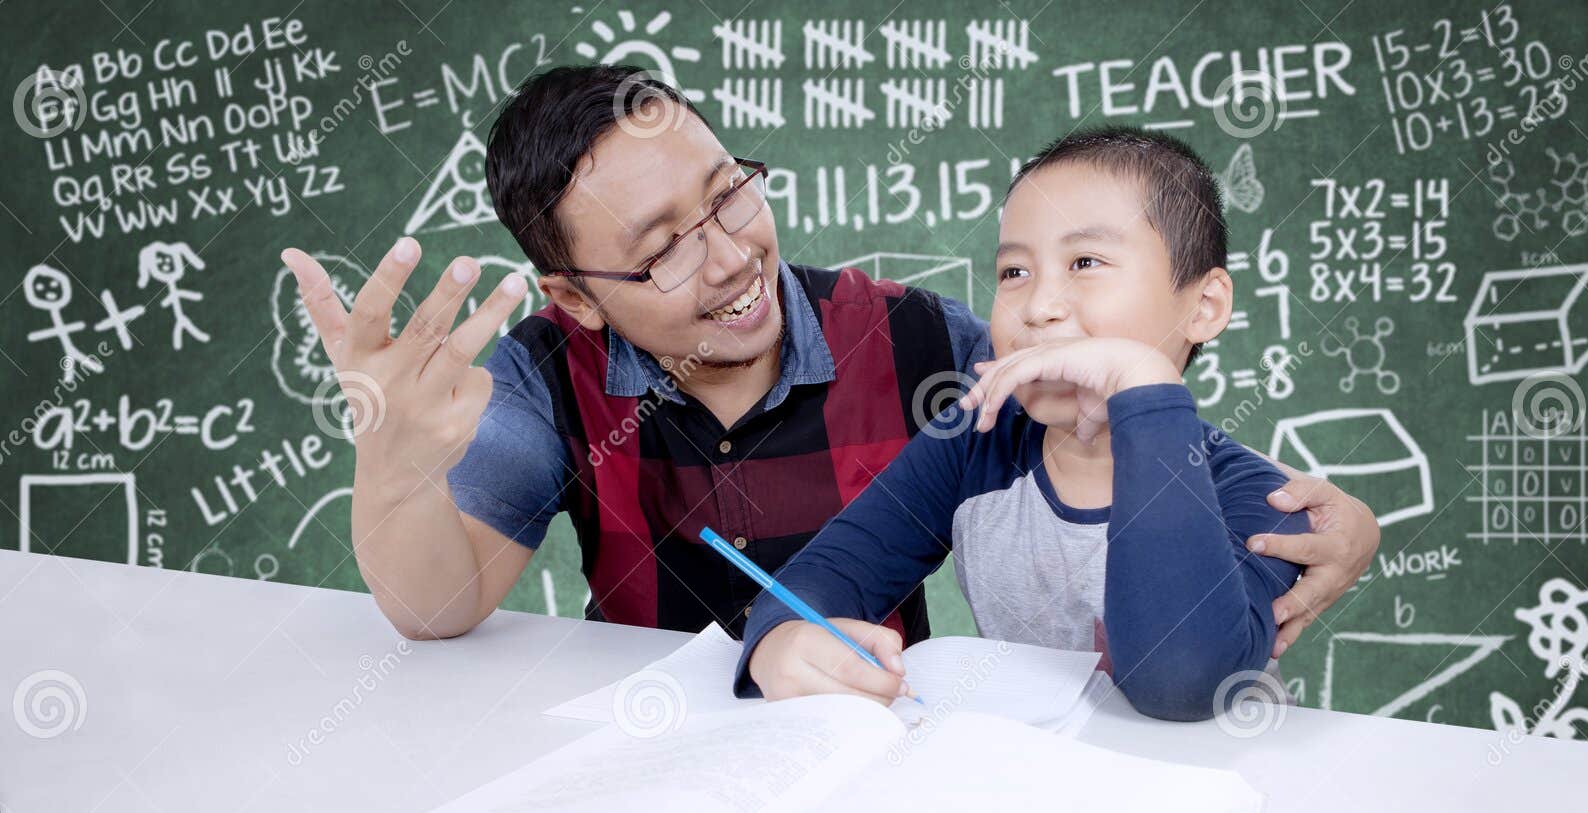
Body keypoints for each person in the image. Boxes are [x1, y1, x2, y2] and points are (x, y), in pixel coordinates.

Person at [277, 66, 1377, 660]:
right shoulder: (537, 371)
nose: (727, 259)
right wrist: (396, 460)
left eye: (728, 195)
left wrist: (1338, 525)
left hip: (870, 740)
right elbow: (433, 612)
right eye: (662, 250)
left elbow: (1123, 423)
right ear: (574, 297)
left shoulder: (915, 341)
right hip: (644, 741)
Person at [739, 127, 1318, 720]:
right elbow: (830, 572)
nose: (1038, 305)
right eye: (1014, 272)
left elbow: (1179, 685)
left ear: (1204, 306)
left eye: (1086, 262)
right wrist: (782, 636)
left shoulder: (1261, 498)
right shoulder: (971, 448)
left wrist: (1144, 386)